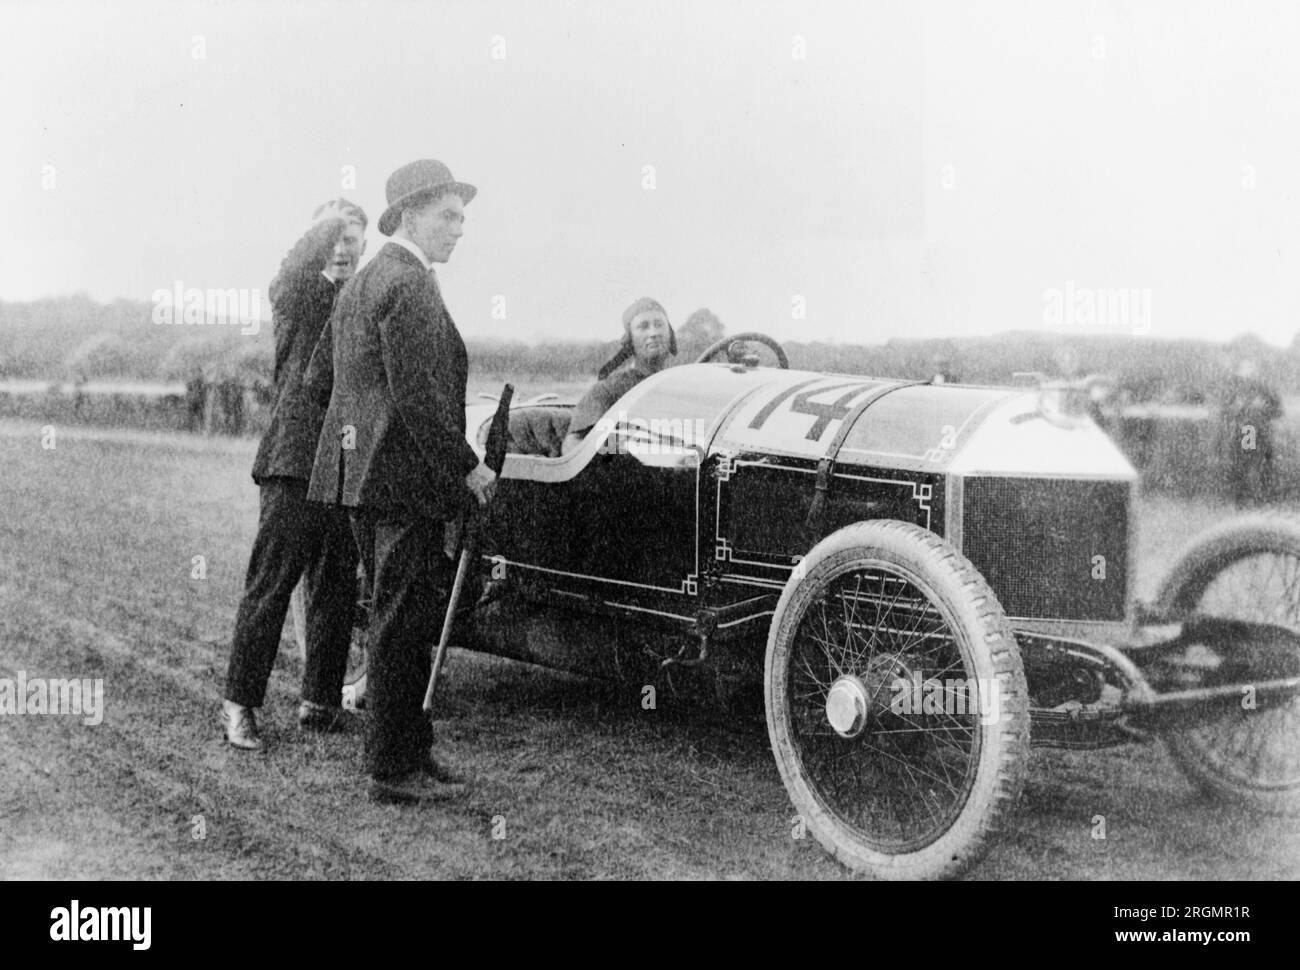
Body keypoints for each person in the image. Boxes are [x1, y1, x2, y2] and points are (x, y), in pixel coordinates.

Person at [303, 159, 495, 805]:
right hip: (402, 483)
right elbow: (418, 398)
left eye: (464, 217)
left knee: (395, 617)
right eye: (449, 215)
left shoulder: (361, 282)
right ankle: (393, 767)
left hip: (362, 480)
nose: (461, 229)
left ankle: (411, 748)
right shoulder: (409, 284)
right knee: (401, 622)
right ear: (410, 214)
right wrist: (468, 466)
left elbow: (323, 384)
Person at [220, 199, 368, 751]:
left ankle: (320, 701)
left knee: (334, 587)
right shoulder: (297, 292)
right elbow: (292, 265)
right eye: (332, 237)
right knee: (273, 584)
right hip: (293, 461)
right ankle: (239, 705)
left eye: (352, 238)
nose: (341, 247)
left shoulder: (363, 298)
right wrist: (327, 225)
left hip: (346, 464)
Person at [560, 297, 676, 455]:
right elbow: (573, 446)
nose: (653, 332)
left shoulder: (680, 384)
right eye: (643, 326)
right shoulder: (608, 390)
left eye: (659, 324)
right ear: (630, 340)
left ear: (670, 333)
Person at [1220, 357, 1282, 504]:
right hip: (1248, 432)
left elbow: (1278, 411)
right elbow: (1225, 411)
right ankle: (1247, 501)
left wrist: (1262, 409)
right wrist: (1239, 409)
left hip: (1260, 433)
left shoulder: (1264, 390)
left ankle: (1258, 501)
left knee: (1260, 469)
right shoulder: (1236, 389)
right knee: (1248, 467)